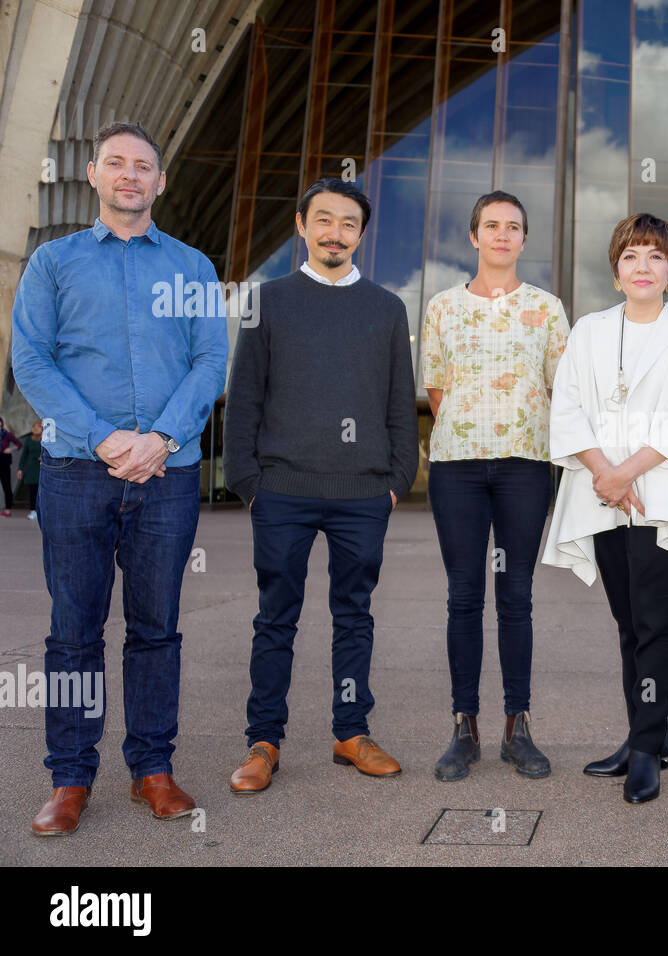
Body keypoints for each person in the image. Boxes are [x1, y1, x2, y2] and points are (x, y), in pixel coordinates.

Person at [11, 121, 228, 835]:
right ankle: (70, 778)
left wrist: (161, 438)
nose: (130, 175)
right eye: (116, 164)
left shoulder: (193, 267)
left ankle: (152, 770)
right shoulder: (53, 263)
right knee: (73, 632)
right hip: (77, 471)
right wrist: (108, 440)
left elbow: (210, 362)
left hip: (167, 474)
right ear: (95, 177)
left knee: (157, 628)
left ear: (161, 182)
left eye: (144, 166)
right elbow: (33, 362)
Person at [223, 178, 419, 793]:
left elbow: (397, 407)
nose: (336, 232)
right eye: (325, 220)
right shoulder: (269, 300)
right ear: (302, 225)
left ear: (362, 235)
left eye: (349, 223)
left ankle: (350, 731)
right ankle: (263, 742)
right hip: (281, 489)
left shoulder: (387, 308)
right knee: (275, 618)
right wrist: (248, 482)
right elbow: (245, 398)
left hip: (363, 495)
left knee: (353, 616)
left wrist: (395, 482)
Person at [543, 212, 668, 804]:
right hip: (602, 498)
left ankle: (647, 750)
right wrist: (603, 474)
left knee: (656, 626)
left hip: (658, 496)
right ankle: (644, 734)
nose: (643, 266)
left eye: (655, 256)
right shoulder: (590, 331)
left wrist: (623, 474)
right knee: (628, 625)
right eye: (631, 256)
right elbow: (567, 407)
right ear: (616, 271)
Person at [419, 191, 570, 782]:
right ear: (474, 236)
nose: (502, 234)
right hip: (458, 468)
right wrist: (472, 428)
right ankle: (464, 728)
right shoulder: (443, 308)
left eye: (513, 226)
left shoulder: (548, 309)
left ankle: (517, 726)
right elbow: (437, 391)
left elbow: (562, 391)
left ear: (524, 240)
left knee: (517, 596)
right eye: (491, 225)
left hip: (525, 468)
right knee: (463, 595)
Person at [16, 419, 43, 522]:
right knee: (32, 491)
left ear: (42, 429)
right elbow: (23, 456)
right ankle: (33, 511)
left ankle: (41, 511)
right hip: (31, 469)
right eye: (34, 427)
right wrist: (20, 469)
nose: (35, 429)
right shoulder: (28, 440)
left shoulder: (46, 440)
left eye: (38, 427)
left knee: (41, 491)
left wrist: (44, 457)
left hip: (42, 468)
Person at [0, 417, 20, 517]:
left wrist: (10, 449)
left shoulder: (7, 435)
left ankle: (8, 509)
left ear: (1, 424)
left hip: (4, 462)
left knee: (6, 487)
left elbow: (19, 444)